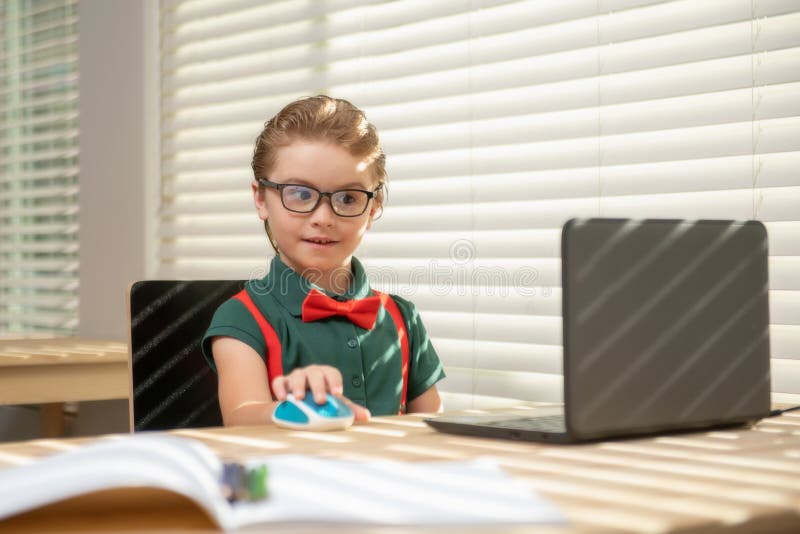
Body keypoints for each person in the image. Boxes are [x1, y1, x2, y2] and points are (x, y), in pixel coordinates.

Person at [201, 95, 445, 426]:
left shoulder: (403, 318)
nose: (323, 217)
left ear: (374, 208)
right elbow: (241, 417)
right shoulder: (242, 318)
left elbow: (432, 429)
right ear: (261, 199)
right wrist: (298, 405)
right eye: (300, 194)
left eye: (347, 198)